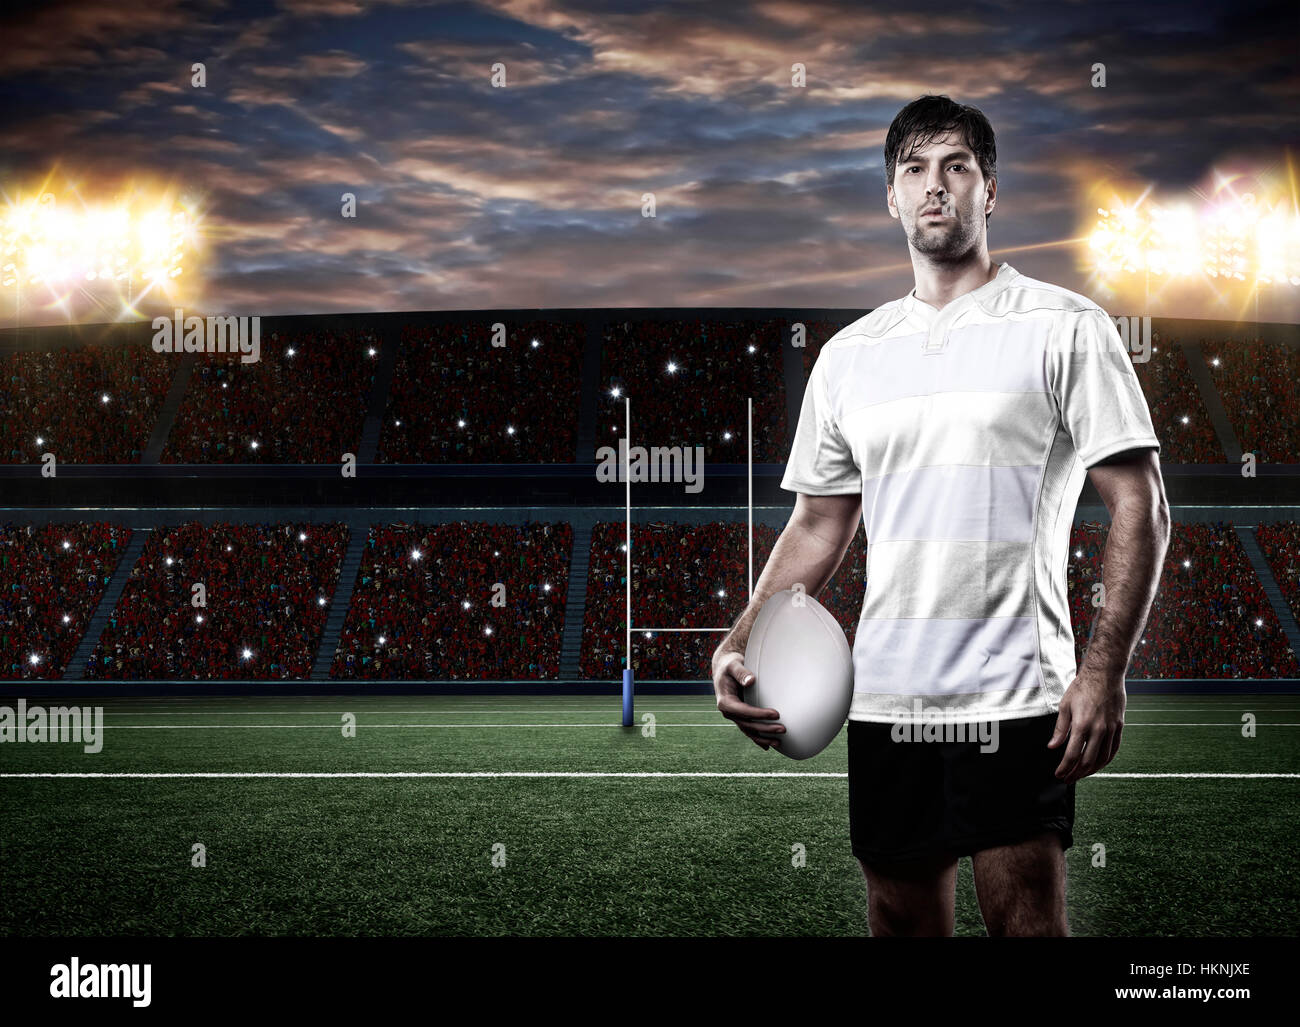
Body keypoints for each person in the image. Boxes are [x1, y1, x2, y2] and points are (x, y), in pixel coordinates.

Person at [711, 95, 1169, 937]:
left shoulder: (1065, 326)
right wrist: (742, 638)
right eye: (914, 170)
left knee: (1026, 921)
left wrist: (1104, 671)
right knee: (897, 921)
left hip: (1016, 695)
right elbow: (818, 523)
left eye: (955, 166)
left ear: (988, 188)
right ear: (891, 197)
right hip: (888, 700)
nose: (935, 186)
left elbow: (1138, 501)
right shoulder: (849, 357)